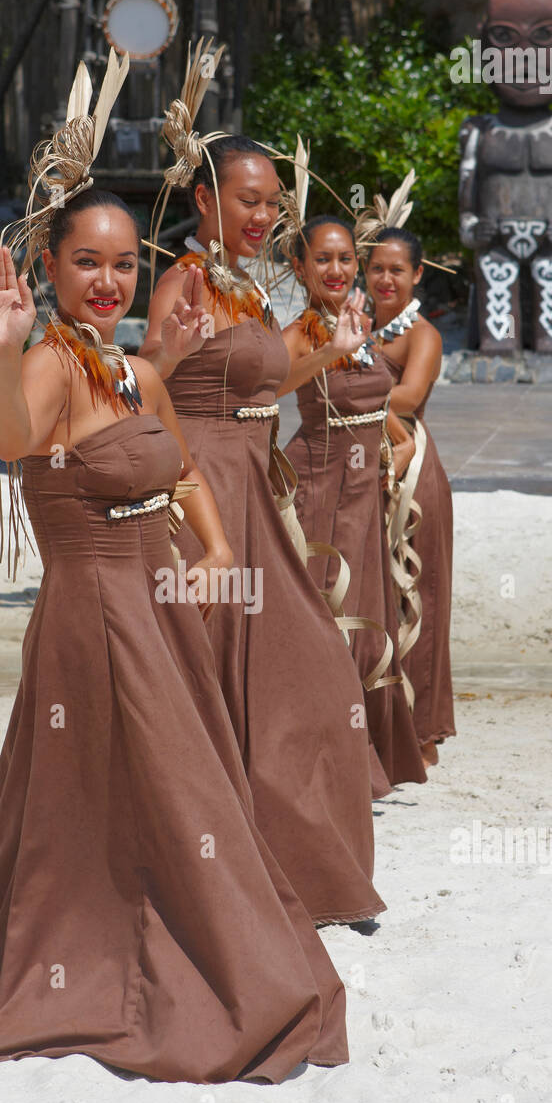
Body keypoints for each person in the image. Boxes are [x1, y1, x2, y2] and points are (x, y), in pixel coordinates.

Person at [0, 63, 349, 1083]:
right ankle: (124, 970)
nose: (107, 281)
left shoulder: (129, 367)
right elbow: (13, 442)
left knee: (182, 797)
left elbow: (178, 464)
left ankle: (173, 952)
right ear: (48, 265)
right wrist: (2, 353)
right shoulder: (46, 362)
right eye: (86, 263)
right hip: (96, 614)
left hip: (163, 599)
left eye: (123, 264)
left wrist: (216, 553)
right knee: (160, 799)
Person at [142, 132, 385, 931]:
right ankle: (212, 879)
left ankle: (295, 875)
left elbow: (260, 380)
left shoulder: (242, 286)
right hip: (205, 488)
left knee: (308, 672)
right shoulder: (183, 280)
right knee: (222, 685)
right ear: (204, 200)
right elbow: (150, 386)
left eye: (274, 202)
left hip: (249, 481)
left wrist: (331, 350)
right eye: (249, 199)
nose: (265, 214)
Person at [282, 215, 427, 789]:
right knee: (330, 620)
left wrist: (402, 440)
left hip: (367, 491)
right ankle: (328, 765)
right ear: (298, 266)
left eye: (346, 258)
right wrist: (328, 351)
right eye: (323, 259)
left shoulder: (354, 322)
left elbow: (372, 401)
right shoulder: (301, 331)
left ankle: (366, 757)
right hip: (323, 485)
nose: (337, 269)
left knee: (370, 628)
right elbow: (266, 390)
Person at [365, 227, 455, 765]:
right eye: (376, 268)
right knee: (373, 598)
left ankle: (422, 734)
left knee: (420, 596)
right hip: (366, 470)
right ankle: (378, 726)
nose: (385, 278)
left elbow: (411, 395)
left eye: (397, 269)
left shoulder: (423, 335)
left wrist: (343, 376)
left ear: (417, 275)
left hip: (414, 471)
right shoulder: (356, 328)